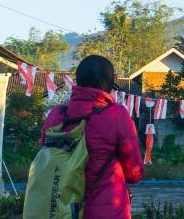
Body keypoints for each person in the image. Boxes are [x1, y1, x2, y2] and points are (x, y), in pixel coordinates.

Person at [40, 55, 144, 219]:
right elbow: (134, 173)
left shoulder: (55, 115)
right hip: (108, 212)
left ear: (78, 80)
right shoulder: (117, 116)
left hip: (62, 210)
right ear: (110, 84)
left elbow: (46, 160)